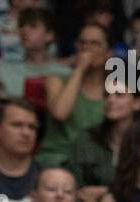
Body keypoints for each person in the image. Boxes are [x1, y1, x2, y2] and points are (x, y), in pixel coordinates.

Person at [38, 21, 114, 168]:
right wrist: (79, 69)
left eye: (95, 43)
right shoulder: (56, 80)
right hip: (56, 159)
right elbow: (60, 112)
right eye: (82, 43)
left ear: (109, 54)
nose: (87, 48)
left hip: (93, 164)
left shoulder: (115, 91)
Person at [66, 82, 140, 202]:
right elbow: (74, 183)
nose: (111, 100)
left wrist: (105, 192)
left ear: (136, 103)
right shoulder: (86, 139)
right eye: (107, 95)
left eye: (119, 95)